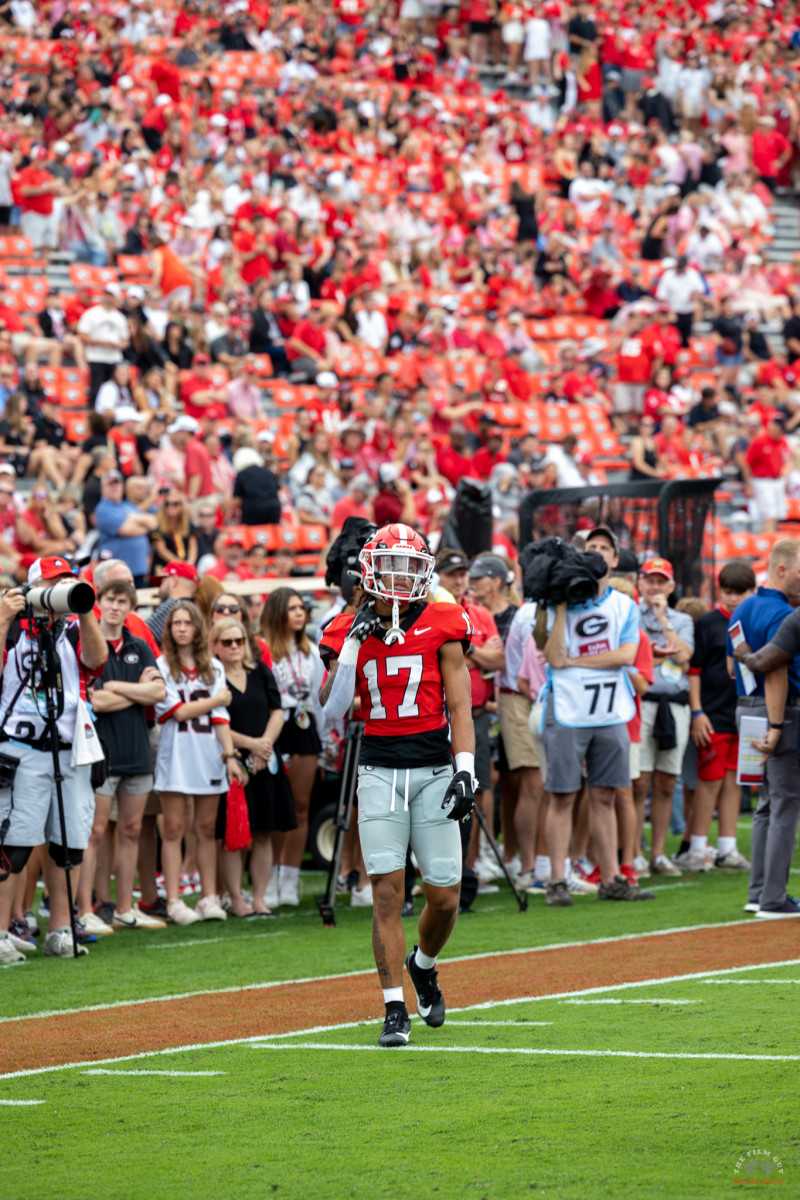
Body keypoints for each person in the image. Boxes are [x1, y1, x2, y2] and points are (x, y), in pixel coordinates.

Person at [318, 523, 476, 1048]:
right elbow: (331, 711)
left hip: (433, 766)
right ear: (369, 572)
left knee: (446, 897)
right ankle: (393, 1009)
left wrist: (466, 768)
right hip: (380, 768)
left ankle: (423, 965)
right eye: (393, 566)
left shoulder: (444, 620)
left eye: (412, 566)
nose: (403, 576)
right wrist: (347, 655)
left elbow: (459, 705)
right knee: (386, 891)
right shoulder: (345, 627)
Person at [0, 556, 108, 965]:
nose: (62, 587)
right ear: (33, 586)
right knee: (14, 845)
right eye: (55, 581)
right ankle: (2, 931)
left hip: (71, 748)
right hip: (21, 748)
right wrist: (3, 618)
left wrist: (86, 611)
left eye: (67, 580)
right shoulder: (13, 627)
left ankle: (62, 929)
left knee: (70, 845)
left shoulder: (73, 628)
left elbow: (97, 661)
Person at [540, 527, 654, 906]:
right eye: (591, 547)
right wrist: (558, 604)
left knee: (605, 793)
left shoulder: (624, 604)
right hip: (569, 708)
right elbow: (553, 656)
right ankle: (557, 880)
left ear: (615, 558)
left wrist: (574, 661)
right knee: (562, 795)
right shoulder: (559, 603)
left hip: (610, 708)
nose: (598, 553)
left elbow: (625, 656)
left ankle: (611, 877)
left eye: (605, 547)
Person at [76, 578, 167, 934]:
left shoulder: (140, 646)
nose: (115, 607)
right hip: (101, 753)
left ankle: (125, 908)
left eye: (122, 601)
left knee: (131, 829)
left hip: (137, 750)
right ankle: (86, 909)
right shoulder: (88, 644)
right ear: (100, 603)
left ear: (130, 607)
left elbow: (159, 692)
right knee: (95, 832)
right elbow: (93, 700)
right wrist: (137, 692)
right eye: (110, 600)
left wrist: (116, 687)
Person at [154, 601, 246, 925]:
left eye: (186, 622)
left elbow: (221, 717)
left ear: (196, 628)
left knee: (206, 829)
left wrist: (230, 755)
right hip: (176, 754)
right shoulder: (161, 665)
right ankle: (175, 900)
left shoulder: (213, 667)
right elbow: (177, 712)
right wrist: (216, 700)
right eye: (175, 623)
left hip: (207, 753)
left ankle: (209, 897)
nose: (181, 628)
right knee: (174, 828)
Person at [730, 539, 800, 919]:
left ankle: (758, 893)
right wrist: (776, 724)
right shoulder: (782, 614)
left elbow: (734, 666)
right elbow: (776, 671)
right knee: (785, 803)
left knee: (765, 806)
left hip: (745, 706)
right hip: (780, 712)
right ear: (782, 569)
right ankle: (774, 898)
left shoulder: (741, 608)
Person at [210, 617, 294, 917]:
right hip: (231, 762)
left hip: (265, 761)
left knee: (264, 832)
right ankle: (236, 898)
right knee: (235, 834)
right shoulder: (213, 677)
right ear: (215, 645)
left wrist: (264, 745)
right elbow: (214, 720)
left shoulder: (260, 671)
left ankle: (258, 898)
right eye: (227, 642)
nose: (234, 646)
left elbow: (277, 712)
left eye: (239, 641)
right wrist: (251, 744)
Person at [680, 561, 756, 875]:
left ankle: (727, 848)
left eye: (740, 592)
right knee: (709, 782)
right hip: (713, 715)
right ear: (718, 590)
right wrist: (697, 712)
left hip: (749, 712)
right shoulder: (709, 623)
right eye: (727, 592)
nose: (733, 598)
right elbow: (694, 672)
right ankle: (697, 847)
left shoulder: (757, 621)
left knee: (734, 783)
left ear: (753, 592)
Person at [260, 588, 326, 907]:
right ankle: (268, 876)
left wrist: (324, 741)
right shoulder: (263, 650)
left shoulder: (311, 650)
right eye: (291, 608)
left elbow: (318, 699)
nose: (300, 613)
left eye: (302, 608)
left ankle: (289, 878)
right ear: (276, 613)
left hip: (305, 728)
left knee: (300, 806)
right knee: (275, 807)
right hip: (275, 727)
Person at [633, 557, 695, 877]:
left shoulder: (682, 619)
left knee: (667, 782)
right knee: (639, 781)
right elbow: (631, 655)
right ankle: (634, 852)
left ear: (671, 587)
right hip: (643, 702)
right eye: (650, 580)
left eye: (661, 582)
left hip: (674, 704)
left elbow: (684, 658)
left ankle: (657, 853)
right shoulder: (630, 615)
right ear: (640, 583)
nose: (655, 587)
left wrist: (662, 617)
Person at [94, 470, 158, 587]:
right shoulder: (103, 509)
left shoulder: (127, 505)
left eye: (117, 484)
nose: (115, 487)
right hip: (116, 572)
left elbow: (154, 522)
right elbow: (127, 530)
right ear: (103, 488)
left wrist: (135, 519)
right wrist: (143, 524)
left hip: (137, 569)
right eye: (111, 484)